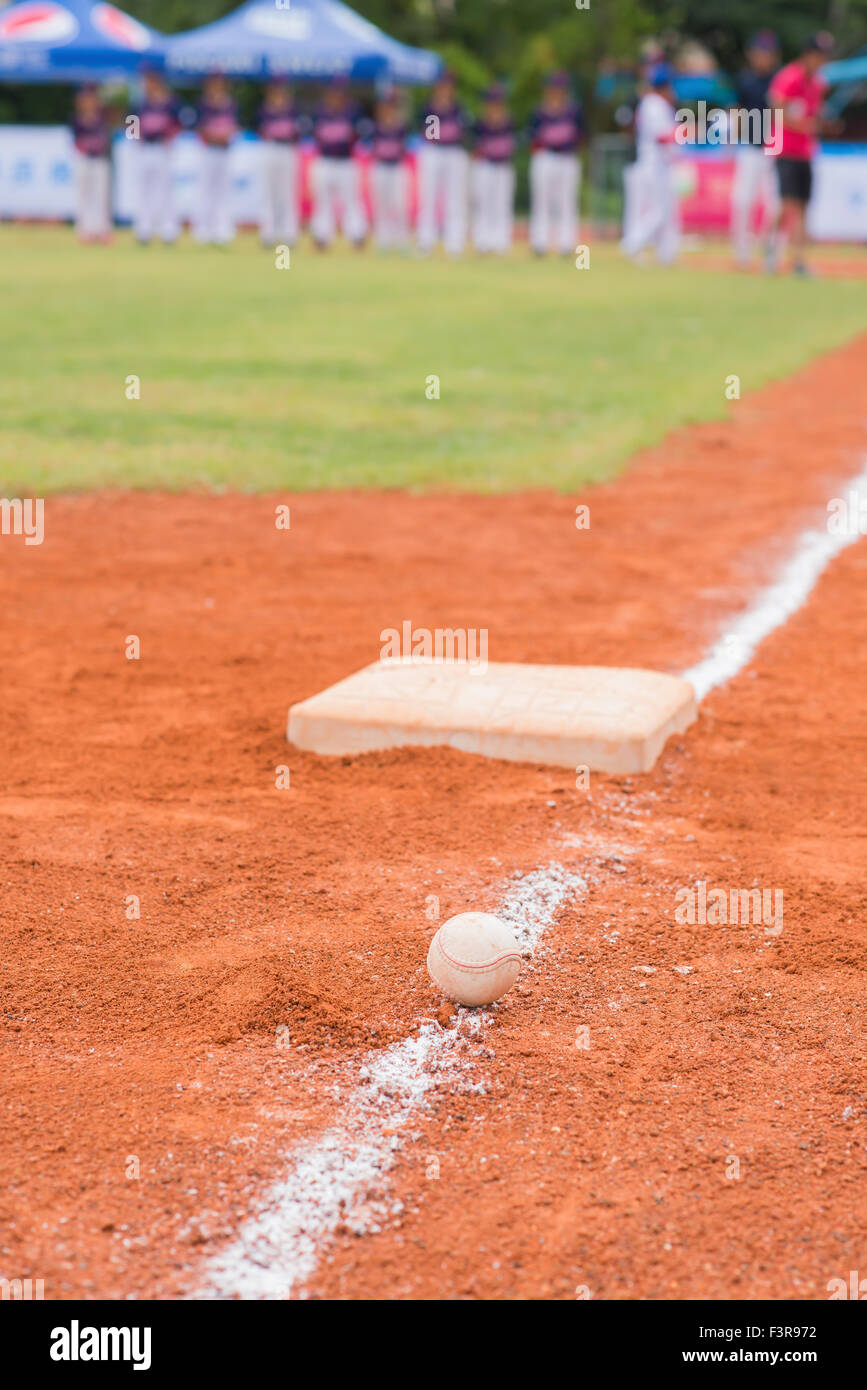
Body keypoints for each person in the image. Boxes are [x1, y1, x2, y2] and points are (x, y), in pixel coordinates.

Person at [766, 32, 835, 276]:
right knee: (788, 204)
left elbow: (814, 114)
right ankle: (770, 250)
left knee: (803, 206)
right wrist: (804, 125)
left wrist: (821, 125)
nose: (822, 61)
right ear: (808, 54)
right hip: (785, 148)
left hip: (806, 151)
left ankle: (798, 259)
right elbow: (777, 109)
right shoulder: (789, 77)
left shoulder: (818, 83)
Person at [620, 64, 680, 265]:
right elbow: (662, 136)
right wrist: (689, 131)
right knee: (659, 211)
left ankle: (666, 254)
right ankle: (632, 242)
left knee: (666, 211)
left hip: (660, 164)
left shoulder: (657, 104)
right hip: (652, 164)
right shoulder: (653, 104)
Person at [730, 31, 780, 269]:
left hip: (773, 148)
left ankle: (771, 253)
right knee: (742, 201)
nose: (763, 58)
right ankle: (742, 253)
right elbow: (738, 110)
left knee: (774, 204)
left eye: (768, 53)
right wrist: (732, 141)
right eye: (760, 52)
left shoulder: (779, 80)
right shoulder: (745, 79)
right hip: (749, 148)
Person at [528, 71, 584, 257]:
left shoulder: (573, 111)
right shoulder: (539, 112)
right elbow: (531, 138)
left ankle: (566, 244)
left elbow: (583, 135)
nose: (555, 92)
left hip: (567, 158)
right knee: (542, 201)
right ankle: (540, 243)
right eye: (553, 88)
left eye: (559, 88)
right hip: (545, 157)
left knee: (567, 202)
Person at [310, 75, 367, 248]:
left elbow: (360, 134)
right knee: (322, 200)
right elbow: (312, 134)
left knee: (351, 200)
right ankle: (322, 235)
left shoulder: (353, 112)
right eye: (334, 91)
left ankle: (356, 234)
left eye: (340, 91)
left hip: (345, 161)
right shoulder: (319, 111)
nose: (336, 95)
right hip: (325, 160)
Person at [417, 69, 469, 256]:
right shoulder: (429, 108)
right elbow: (429, 135)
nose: (445, 89)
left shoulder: (459, 108)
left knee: (455, 200)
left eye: (448, 85)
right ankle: (426, 241)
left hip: (454, 153)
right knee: (428, 197)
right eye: (442, 85)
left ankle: (455, 243)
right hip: (434, 152)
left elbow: (465, 134)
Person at [134, 69, 179, 246]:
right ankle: (143, 230)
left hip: (162, 148)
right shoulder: (140, 103)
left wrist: (170, 137)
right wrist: (137, 139)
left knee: (165, 191)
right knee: (144, 191)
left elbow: (178, 123)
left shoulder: (169, 103)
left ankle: (168, 231)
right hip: (145, 148)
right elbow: (130, 125)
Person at [471, 83, 516, 255]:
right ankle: (482, 240)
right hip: (485, 165)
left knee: (502, 203)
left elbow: (511, 145)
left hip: (503, 166)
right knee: (483, 203)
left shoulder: (509, 121)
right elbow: (474, 146)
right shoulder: (480, 123)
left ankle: (501, 241)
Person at [194, 74, 239, 246]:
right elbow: (199, 128)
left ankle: (223, 230)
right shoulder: (204, 105)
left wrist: (226, 134)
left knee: (224, 191)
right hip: (209, 150)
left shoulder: (230, 104)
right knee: (206, 190)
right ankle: (204, 231)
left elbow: (233, 127)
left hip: (224, 151)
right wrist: (213, 135)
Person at [258, 77, 301, 249]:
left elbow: (298, 132)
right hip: (271, 148)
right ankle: (269, 233)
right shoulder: (265, 109)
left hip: (287, 149)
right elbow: (261, 130)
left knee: (287, 192)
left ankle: (288, 233)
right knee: (269, 193)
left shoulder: (293, 109)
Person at [71, 84, 112, 244]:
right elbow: (75, 141)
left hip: (100, 159)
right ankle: (85, 230)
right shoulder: (76, 119)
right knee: (84, 195)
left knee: (101, 196)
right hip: (84, 159)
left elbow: (128, 121)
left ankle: (102, 230)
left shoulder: (103, 117)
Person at [370, 86, 410, 251]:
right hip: (381, 166)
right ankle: (383, 240)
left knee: (399, 204)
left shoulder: (401, 127)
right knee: (381, 204)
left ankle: (401, 240)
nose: (389, 110)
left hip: (396, 167)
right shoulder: (375, 127)